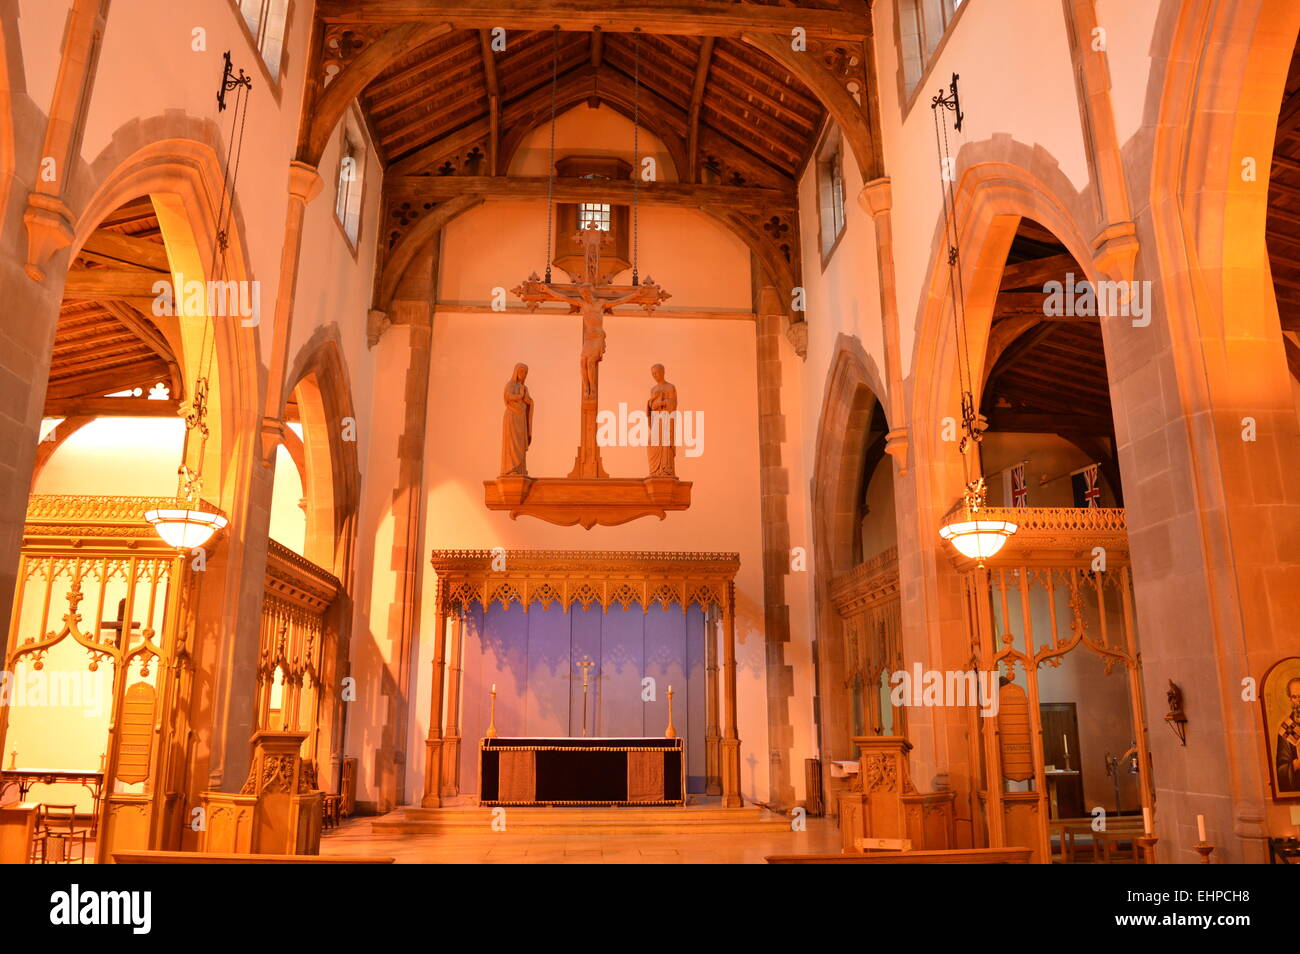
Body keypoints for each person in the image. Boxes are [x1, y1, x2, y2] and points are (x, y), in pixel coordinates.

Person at [500, 363, 533, 476]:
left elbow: (528, 401)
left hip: (521, 418)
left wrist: (529, 401)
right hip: (512, 417)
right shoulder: (510, 385)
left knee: (520, 444)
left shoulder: (524, 388)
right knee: (512, 444)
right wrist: (520, 396)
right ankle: (510, 469)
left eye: (525, 373)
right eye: (521, 372)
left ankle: (520, 469)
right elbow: (507, 396)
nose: (523, 375)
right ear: (516, 372)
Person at [1277, 676, 1300, 792]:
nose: (1298, 701)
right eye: (1294, 697)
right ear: (1290, 699)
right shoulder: (1286, 729)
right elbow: (1281, 770)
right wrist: (1296, 764)